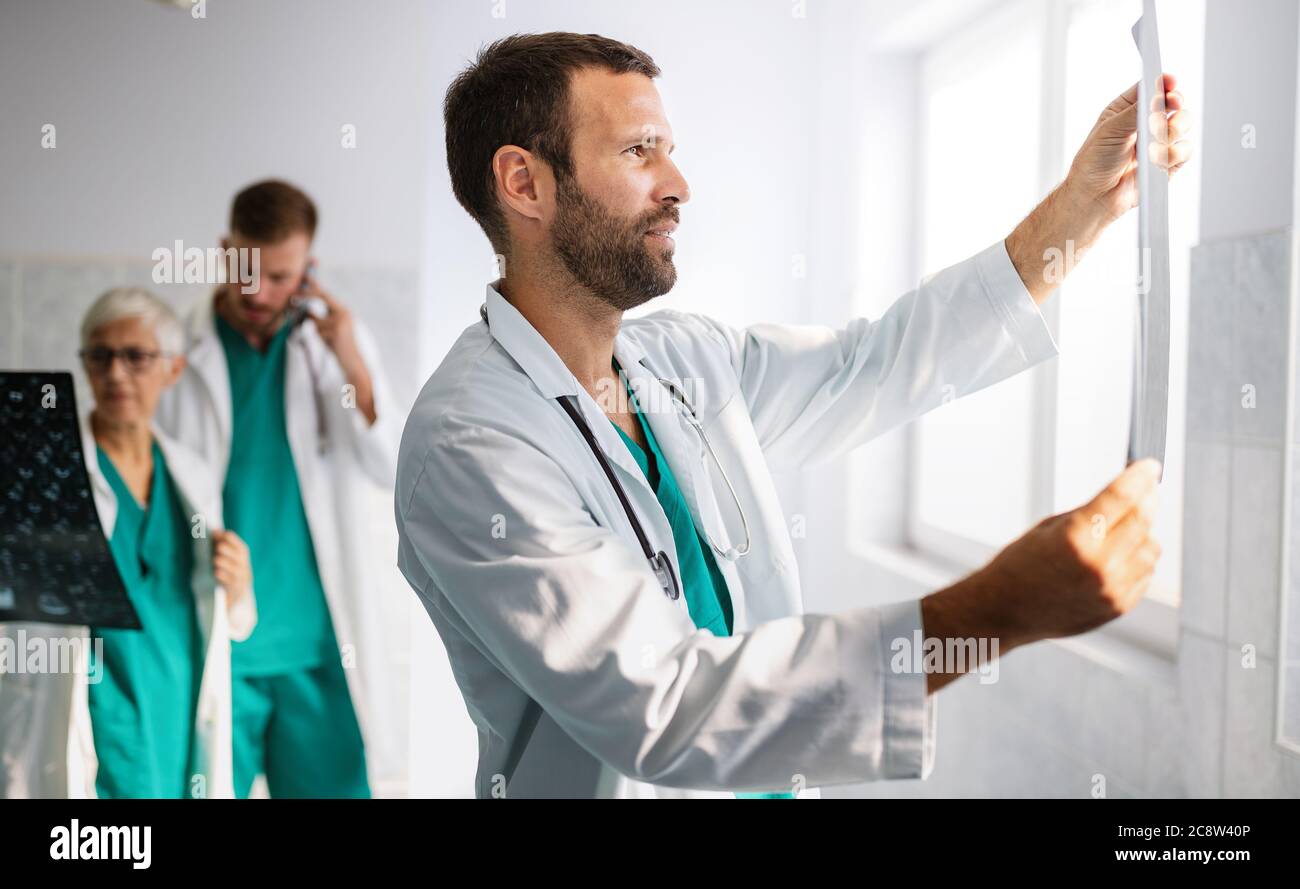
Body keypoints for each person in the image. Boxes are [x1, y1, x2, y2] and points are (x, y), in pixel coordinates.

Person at [395, 33, 1192, 799]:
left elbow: (875, 364)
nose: (678, 184)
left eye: (668, 148)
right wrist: (994, 610)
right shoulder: (472, 441)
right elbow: (659, 706)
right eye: (639, 150)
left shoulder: (682, 360)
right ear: (524, 183)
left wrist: (1083, 210)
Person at [156, 180, 402, 798]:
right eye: (246, 270)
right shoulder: (176, 350)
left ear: (309, 269)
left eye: (281, 276)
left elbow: (397, 471)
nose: (258, 293)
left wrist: (353, 367)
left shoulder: (333, 348)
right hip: (222, 646)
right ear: (223, 248)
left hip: (320, 649)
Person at [0, 287, 254, 798]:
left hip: (176, 710)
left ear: (173, 369)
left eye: (136, 357)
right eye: (101, 355)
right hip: (90, 710)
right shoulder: (41, 471)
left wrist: (240, 586)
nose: (116, 373)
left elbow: (231, 622)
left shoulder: (193, 476)